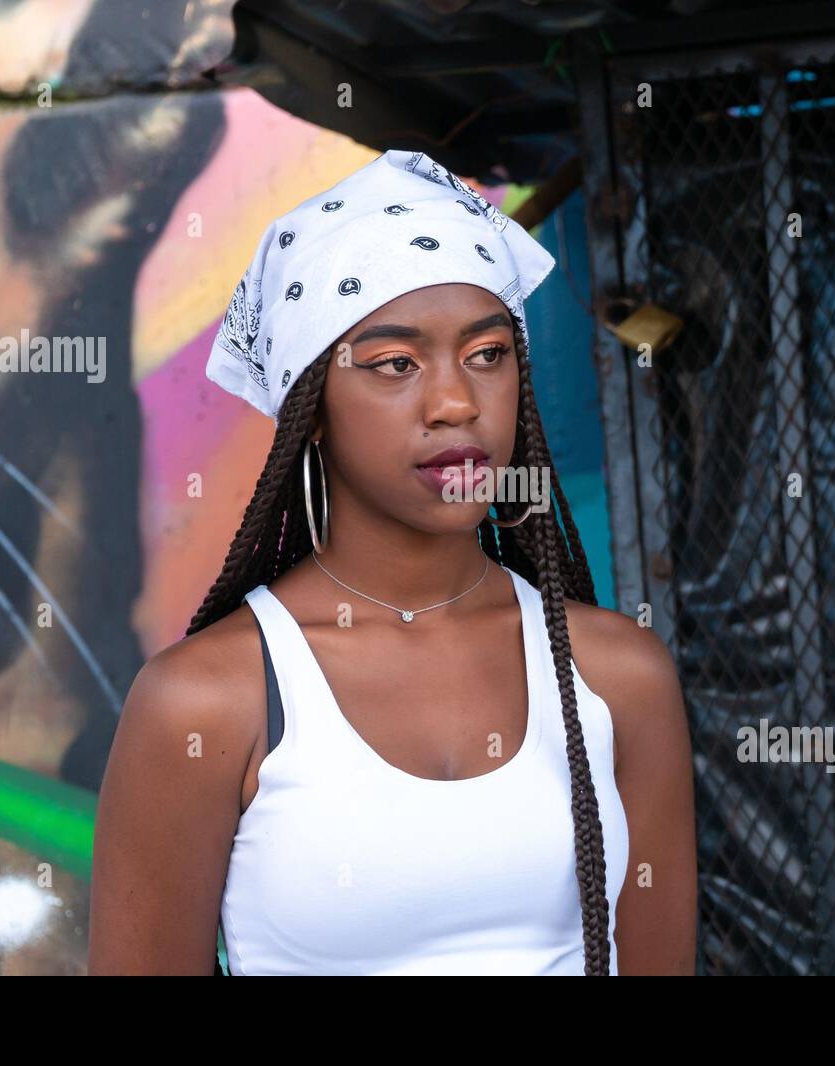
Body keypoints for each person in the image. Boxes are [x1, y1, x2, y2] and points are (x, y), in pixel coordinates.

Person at [88, 149, 696, 975]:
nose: (456, 402)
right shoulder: (206, 703)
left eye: (488, 354)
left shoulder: (617, 675)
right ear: (310, 410)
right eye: (395, 365)